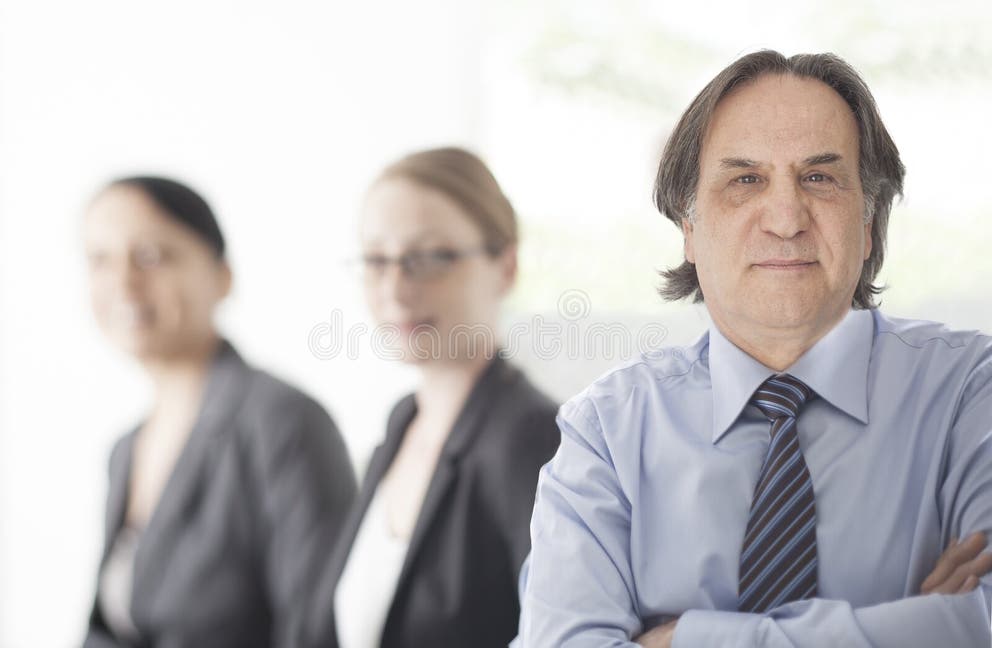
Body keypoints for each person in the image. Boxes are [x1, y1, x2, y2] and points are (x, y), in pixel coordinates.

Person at [516, 50, 992, 647]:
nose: (787, 218)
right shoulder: (606, 433)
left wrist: (678, 639)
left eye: (819, 178)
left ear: (869, 222)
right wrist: (906, 629)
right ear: (688, 228)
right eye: (745, 180)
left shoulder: (974, 394)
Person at [294, 147, 560, 648]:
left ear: (505, 266)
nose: (396, 288)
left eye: (430, 258)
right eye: (377, 261)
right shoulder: (403, 422)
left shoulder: (533, 438)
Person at [80, 176, 357, 648]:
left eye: (151, 256)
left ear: (222, 277)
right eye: (100, 260)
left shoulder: (283, 423)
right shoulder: (126, 448)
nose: (123, 281)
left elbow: (315, 630)